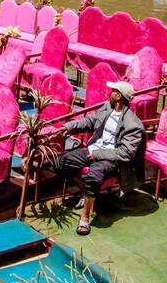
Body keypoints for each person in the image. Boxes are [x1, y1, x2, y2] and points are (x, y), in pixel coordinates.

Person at [54, 81, 144, 237]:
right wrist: (69, 126)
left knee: (94, 175)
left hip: (110, 158)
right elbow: (90, 120)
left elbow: (125, 153)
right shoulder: (107, 107)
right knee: (61, 162)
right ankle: (86, 193)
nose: (110, 92)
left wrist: (98, 155)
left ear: (119, 96)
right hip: (93, 149)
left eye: (113, 90)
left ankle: (85, 217)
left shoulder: (133, 125)